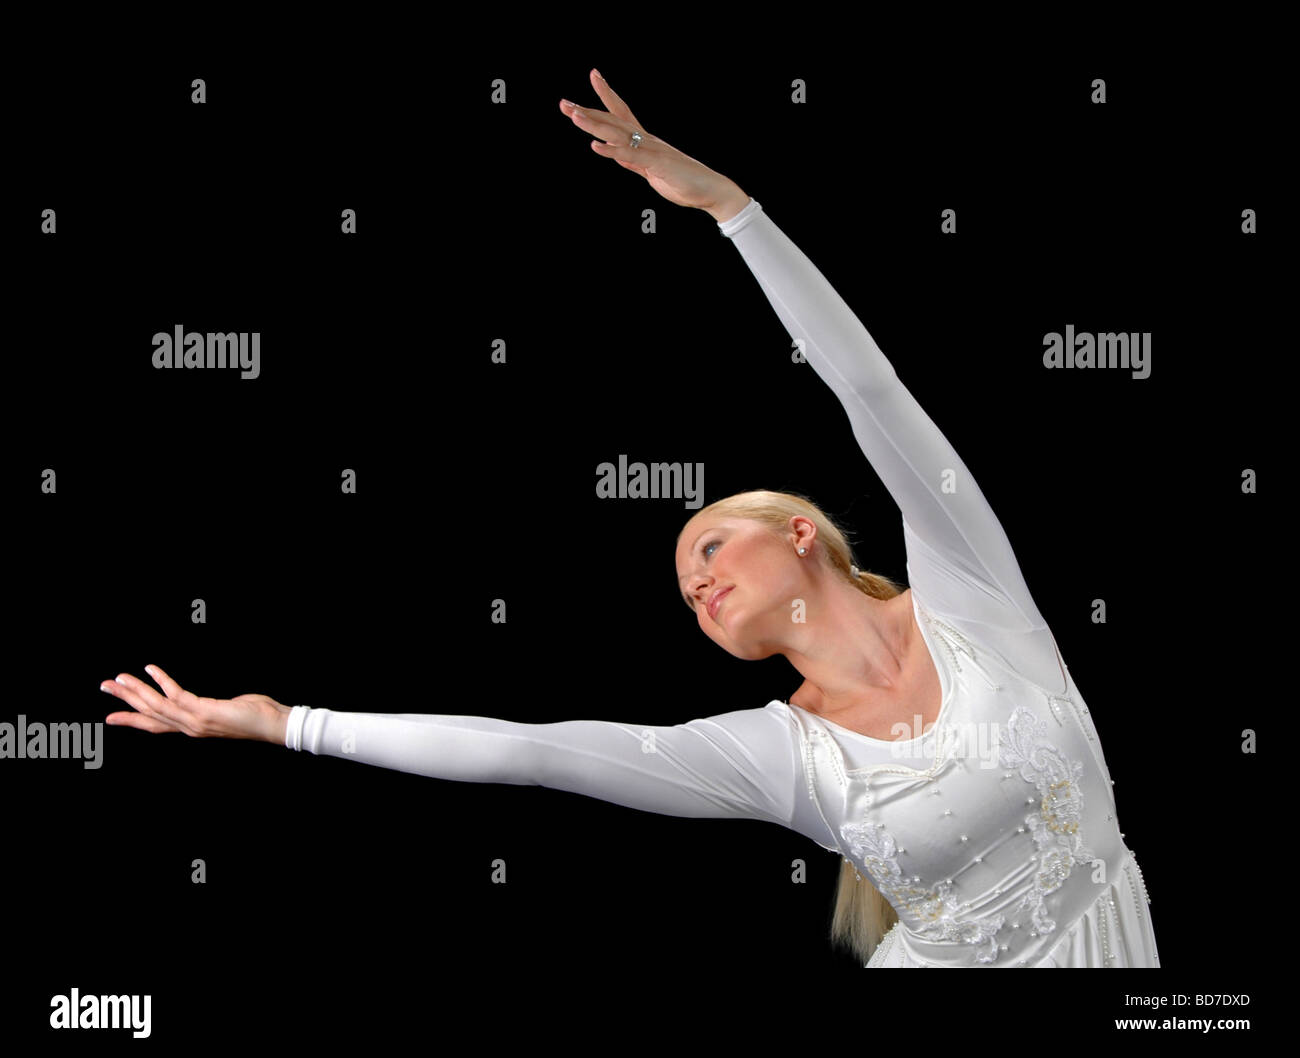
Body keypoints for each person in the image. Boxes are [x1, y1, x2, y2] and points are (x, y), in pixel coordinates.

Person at [99, 69, 1158, 968]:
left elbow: (872, 391)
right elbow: (529, 752)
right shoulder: (782, 756)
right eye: (685, 592)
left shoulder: (974, 594)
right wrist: (285, 721)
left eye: (705, 546)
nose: (694, 584)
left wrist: (732, 211)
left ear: (799, 532)